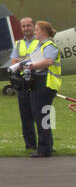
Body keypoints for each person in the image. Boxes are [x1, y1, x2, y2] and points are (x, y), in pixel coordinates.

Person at [20, 20, 62, 158]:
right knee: (41, 115)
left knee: (42, 115)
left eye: (37, 29)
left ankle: (44, 149)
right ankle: (46, 146)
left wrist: (31, 66)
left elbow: (48, 61)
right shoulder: (40, 46)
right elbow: (34, 59)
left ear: (43, 32)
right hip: (38, 83)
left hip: (46, 84)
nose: (35, 32)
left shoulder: (49, 46)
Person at [8, 16, 38, 154]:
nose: (26, 28)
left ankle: (46, 144)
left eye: (28, 25)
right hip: (23, 84)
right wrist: (27, 61)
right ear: (21, 28)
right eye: (24, 26)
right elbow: (13, 62)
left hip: (38, 81)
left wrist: (22, 61)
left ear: (33, 26)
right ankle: (30, 145)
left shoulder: (40, 42)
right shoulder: (18, 43)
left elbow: (39, 60)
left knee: (42, 115)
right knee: (26, 116)